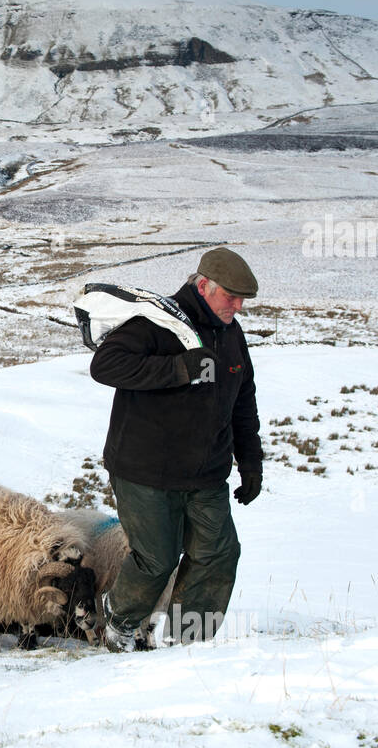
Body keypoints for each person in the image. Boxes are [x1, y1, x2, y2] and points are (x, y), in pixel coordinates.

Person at [88, 247, 263, 650]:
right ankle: (117, 623)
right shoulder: (157, 322)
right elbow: (106, 365)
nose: (237, 306)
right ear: (203, 286)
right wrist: (179, 368)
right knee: (156, 561)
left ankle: (191, 644)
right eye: (230, 296)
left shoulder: (231, 334)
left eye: (242, 300)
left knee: (218, 555)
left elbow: (242, 401)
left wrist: (250, 462)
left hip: (206, 474)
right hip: (145, 470)